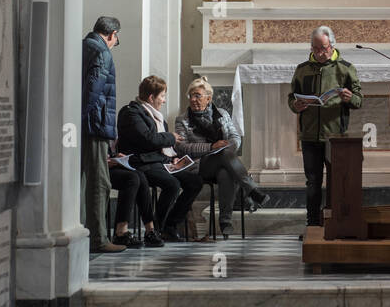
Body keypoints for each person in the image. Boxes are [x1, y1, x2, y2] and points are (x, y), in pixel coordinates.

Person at [174, 78, 269, 237]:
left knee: (226, 172)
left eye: (197, 95)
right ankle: (251, 189)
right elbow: (183, 147)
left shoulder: (222, 114)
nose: (193, 99)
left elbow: (235, 137)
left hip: (223, 162)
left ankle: (225, 221)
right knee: (225, 154)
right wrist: (211, 147)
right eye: (190, 96)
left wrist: (224, 147)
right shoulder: (182, 120)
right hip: (199, 166)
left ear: (208, 98)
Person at [288, 26, 362, 229]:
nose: (319, 53)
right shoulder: (302, 69)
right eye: (315, 48)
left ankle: (337, 222)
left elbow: (358, 100)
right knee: (312, 183)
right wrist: (296, 105)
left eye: (323, 48)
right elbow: (291, 98)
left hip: (336, 136)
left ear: (332, 46)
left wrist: (350, 98)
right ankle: (312, 225)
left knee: (337, 182)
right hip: (310, 135)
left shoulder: (345, 68)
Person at [117, 76, 204, 242]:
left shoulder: (157, 117)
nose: (164, 101)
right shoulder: (131, 113)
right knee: (172, 185)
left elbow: (158, 144)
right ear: (151, 97)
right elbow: (148, 139)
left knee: (195, 182)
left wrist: (172, 159)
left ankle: (169, 226)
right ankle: (154, 229)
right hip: (142, 163)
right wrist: (170, 137)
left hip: (158, 162)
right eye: (162, 96)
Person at [81, 16, 125, 254]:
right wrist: (88, 120)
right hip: (93, 126)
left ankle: (79, 232)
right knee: (100, 182)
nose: (114, 43)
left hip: (79, 125)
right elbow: (93, 91)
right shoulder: (102, 53)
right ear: (112, 34)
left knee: (78, 181)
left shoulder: (81, 46)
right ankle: (98, 238)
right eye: (116, 39)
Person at [107, 158, 163, 248]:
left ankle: (150, 230)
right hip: (102, 167)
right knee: (131, 178)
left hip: (115, 166)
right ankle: (120, 233)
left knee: (141, 176)